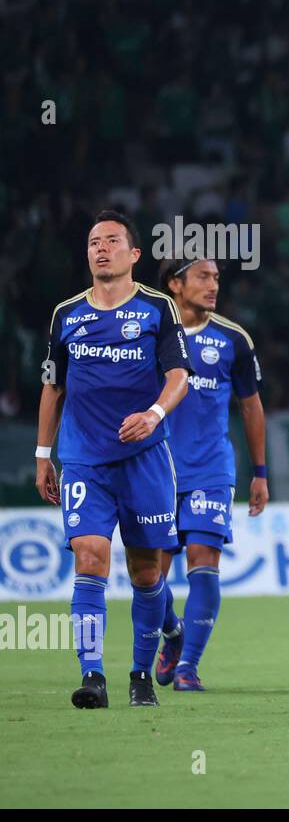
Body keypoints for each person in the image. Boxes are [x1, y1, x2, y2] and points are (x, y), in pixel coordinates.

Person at [37, 210, 192, 708]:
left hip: (145, 457)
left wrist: (153, 414)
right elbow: (52, 386)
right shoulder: (66, 315)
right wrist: (44, 453)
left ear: (134, 254)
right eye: (92, 242)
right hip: (84, 458)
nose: (100, 248)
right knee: (90, 558)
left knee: (146, 573)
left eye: (110, 241)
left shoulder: (158, 308)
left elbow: (179, 377)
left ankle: (142, 673)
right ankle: (93, 676)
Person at [153, 258, 268, 691]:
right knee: (150, 576)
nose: (213, 284)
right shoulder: (151, 331)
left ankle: (188, 668)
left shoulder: (233, 339)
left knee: (204, 560)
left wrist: (260, 472)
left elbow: (251, 406)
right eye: (203, 276)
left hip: (210, 470)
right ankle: (173, 634)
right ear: (175, 284)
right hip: (157, 469)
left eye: (217, 278)